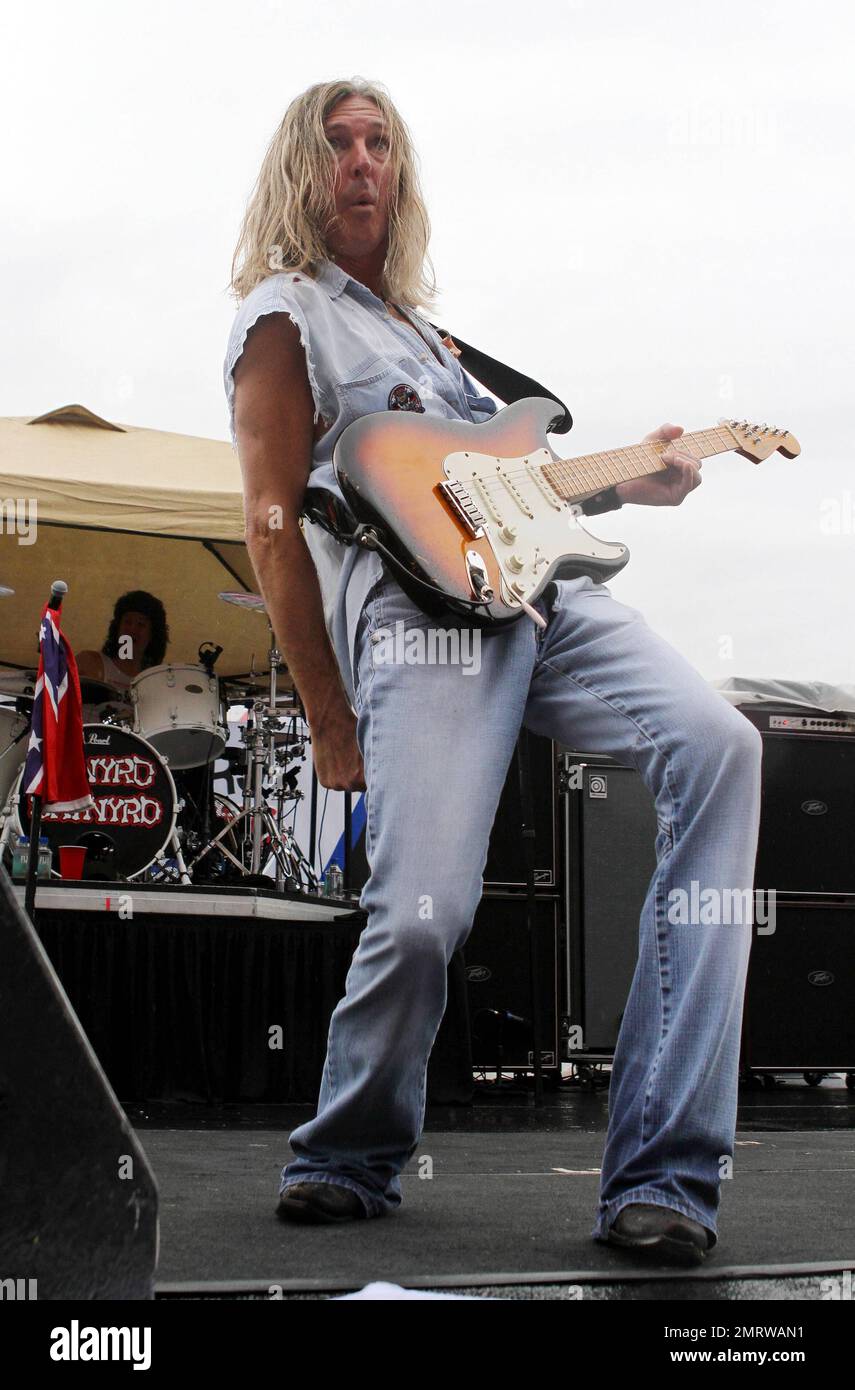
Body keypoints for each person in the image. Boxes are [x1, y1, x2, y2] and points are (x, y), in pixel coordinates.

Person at [224, 79, 762, 1266]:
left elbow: (509, 492)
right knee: (426, 915)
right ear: (299, 171)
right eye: (336, 143)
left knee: (722, 742)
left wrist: (634, 481)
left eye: (379, 142)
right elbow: (270, 524)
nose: (362, 160)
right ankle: (350, 1149)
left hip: (542, 599)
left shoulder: (434, 341)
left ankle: (666, 1171)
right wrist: (326, 713)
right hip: (424, 627)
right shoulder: (283, 317)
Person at [77, 590, 169, 698]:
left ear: (152, 635)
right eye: (127, 622)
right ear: (117, 628)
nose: (132, 629)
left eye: (141, 624)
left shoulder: (156, 683)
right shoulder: (90, 662)